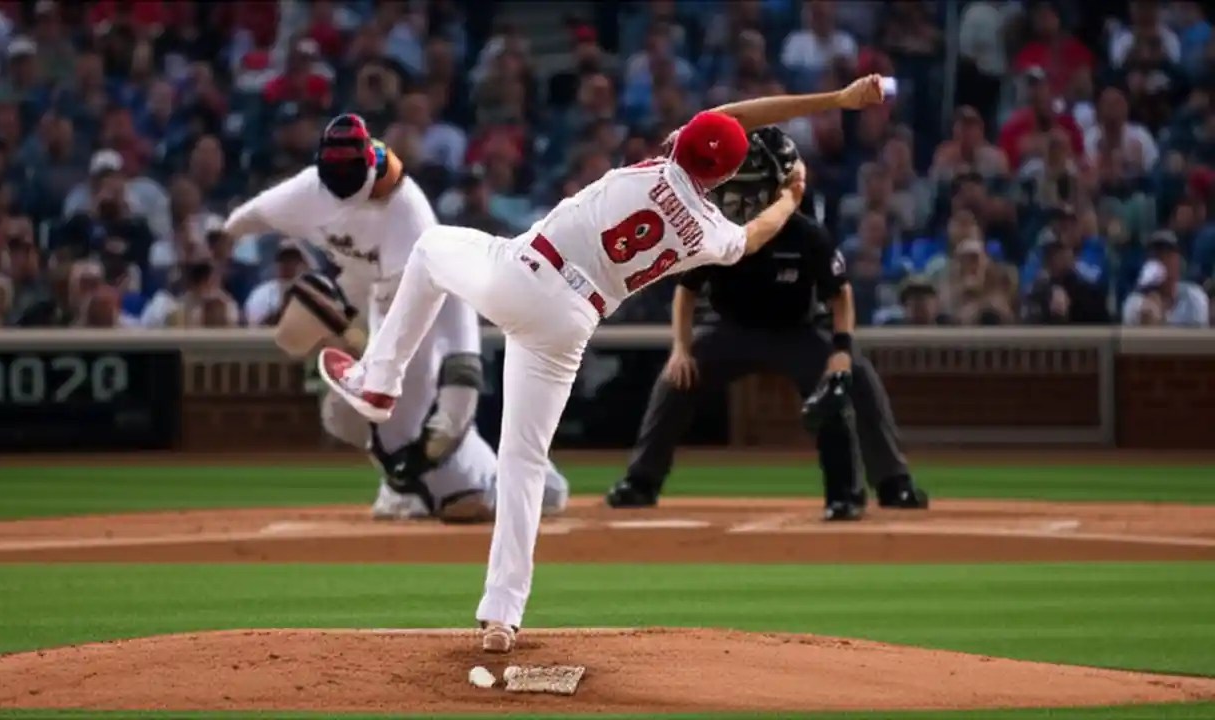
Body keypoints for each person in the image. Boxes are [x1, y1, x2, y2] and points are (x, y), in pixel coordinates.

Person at [319, 76, 888, 653]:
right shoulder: (711, 233)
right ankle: (501, 615)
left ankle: (379, 382)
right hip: (571, 321)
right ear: (721, 177)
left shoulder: (658, 163)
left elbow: (734, 115)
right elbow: (757, 232)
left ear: (685, 142)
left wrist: (833, 98)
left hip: (524, 272)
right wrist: (791, 195)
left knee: (428, 249)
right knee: (523, 461)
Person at [223, 114, 568, 523]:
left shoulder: (406, 213)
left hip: (425, 307)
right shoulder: (308, 191)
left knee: (442, 441)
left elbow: (416, 318)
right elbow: (252, 216)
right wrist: (226, 240)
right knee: (345, 414)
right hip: (369, 299)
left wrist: (438, 410)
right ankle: (407, 485)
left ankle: (519, 482)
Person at [604, 128, 928, 520]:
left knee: (854, 376)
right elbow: (686, 292)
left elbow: (839, 294)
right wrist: (681, 349)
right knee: (674, 381)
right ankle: (641, 481)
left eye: (749, 186)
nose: (738, 197)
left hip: (798, 332)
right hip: (730, 331)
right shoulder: (713, 228)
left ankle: (885, 483)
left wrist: (841, 350)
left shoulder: (806, 233)